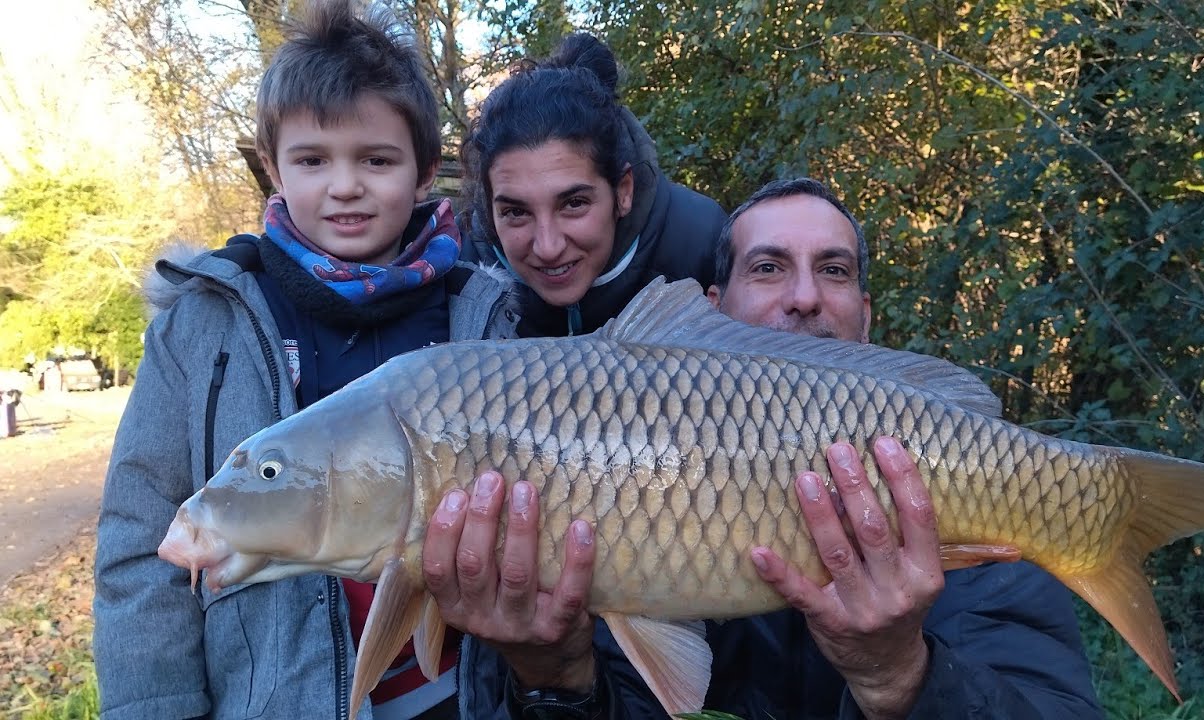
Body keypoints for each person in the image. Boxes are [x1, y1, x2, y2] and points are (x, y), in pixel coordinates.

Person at [433, 178, 1103, 718]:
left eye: (833, 270)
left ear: (867, 316)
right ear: (712, 309)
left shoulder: (984, 495)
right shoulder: (604, 479)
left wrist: (900, 676)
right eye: (768, 267)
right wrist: (555, 678)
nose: (804, 297)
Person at [92, 2, 518, 719]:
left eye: (376, 159)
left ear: (423, 173)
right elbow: (139, 548)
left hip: (461, 694)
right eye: (313, 160)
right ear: (273, 169)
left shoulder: (483, 316)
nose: (344, 185)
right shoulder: (202, 324)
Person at [460, 33, 726, 338]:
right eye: (516, 212)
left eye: (574, 204)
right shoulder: (457, 270)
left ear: (623, 191)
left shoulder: (702, 242)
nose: (548, 248)